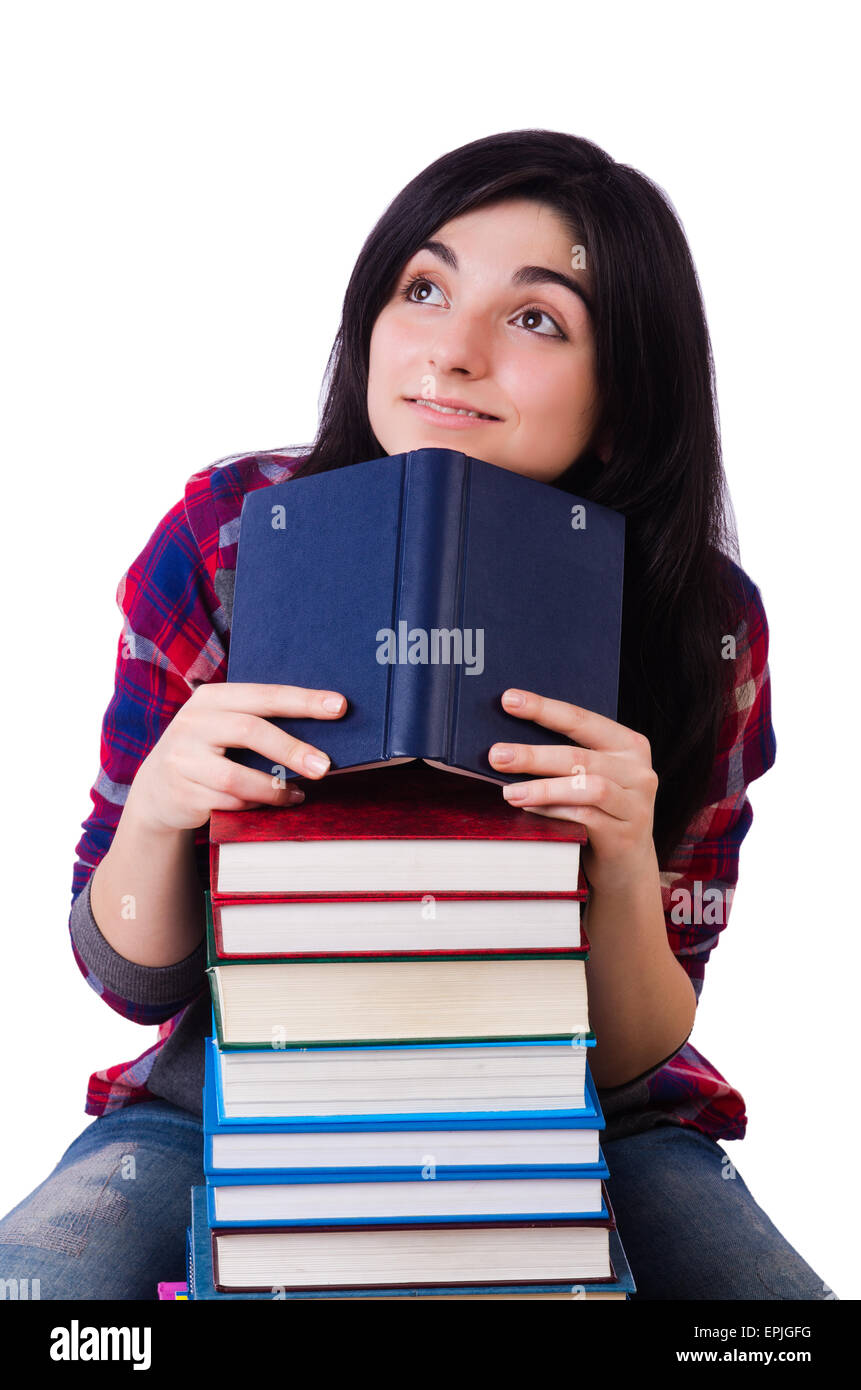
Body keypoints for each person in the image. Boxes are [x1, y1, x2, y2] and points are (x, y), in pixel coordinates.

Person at [0, 129, 835, 1301]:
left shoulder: (707, 624)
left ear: (626, 382)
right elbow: (124, 972)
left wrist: (626, 865)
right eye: (424, 287)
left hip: (589, 1101)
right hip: (241, 1072)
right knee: (44, 1296)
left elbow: (643, 1041)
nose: (451, 351)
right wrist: (159, 815)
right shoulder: (228, 540)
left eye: (537, 318)